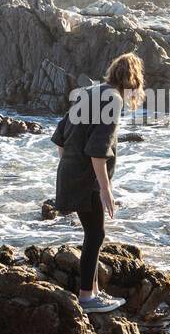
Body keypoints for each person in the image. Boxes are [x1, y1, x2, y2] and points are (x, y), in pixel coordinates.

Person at [51, 52, 144, 313]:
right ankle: (87, 298)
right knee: (96, 234)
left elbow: (60, 135)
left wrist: (68, 166)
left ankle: (93, 292)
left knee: (93, 233)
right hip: (86, 179)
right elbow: (97, 151)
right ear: (132, 79)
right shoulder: (113, 100)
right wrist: (105, 189)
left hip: (71, 173)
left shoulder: (91, 91)